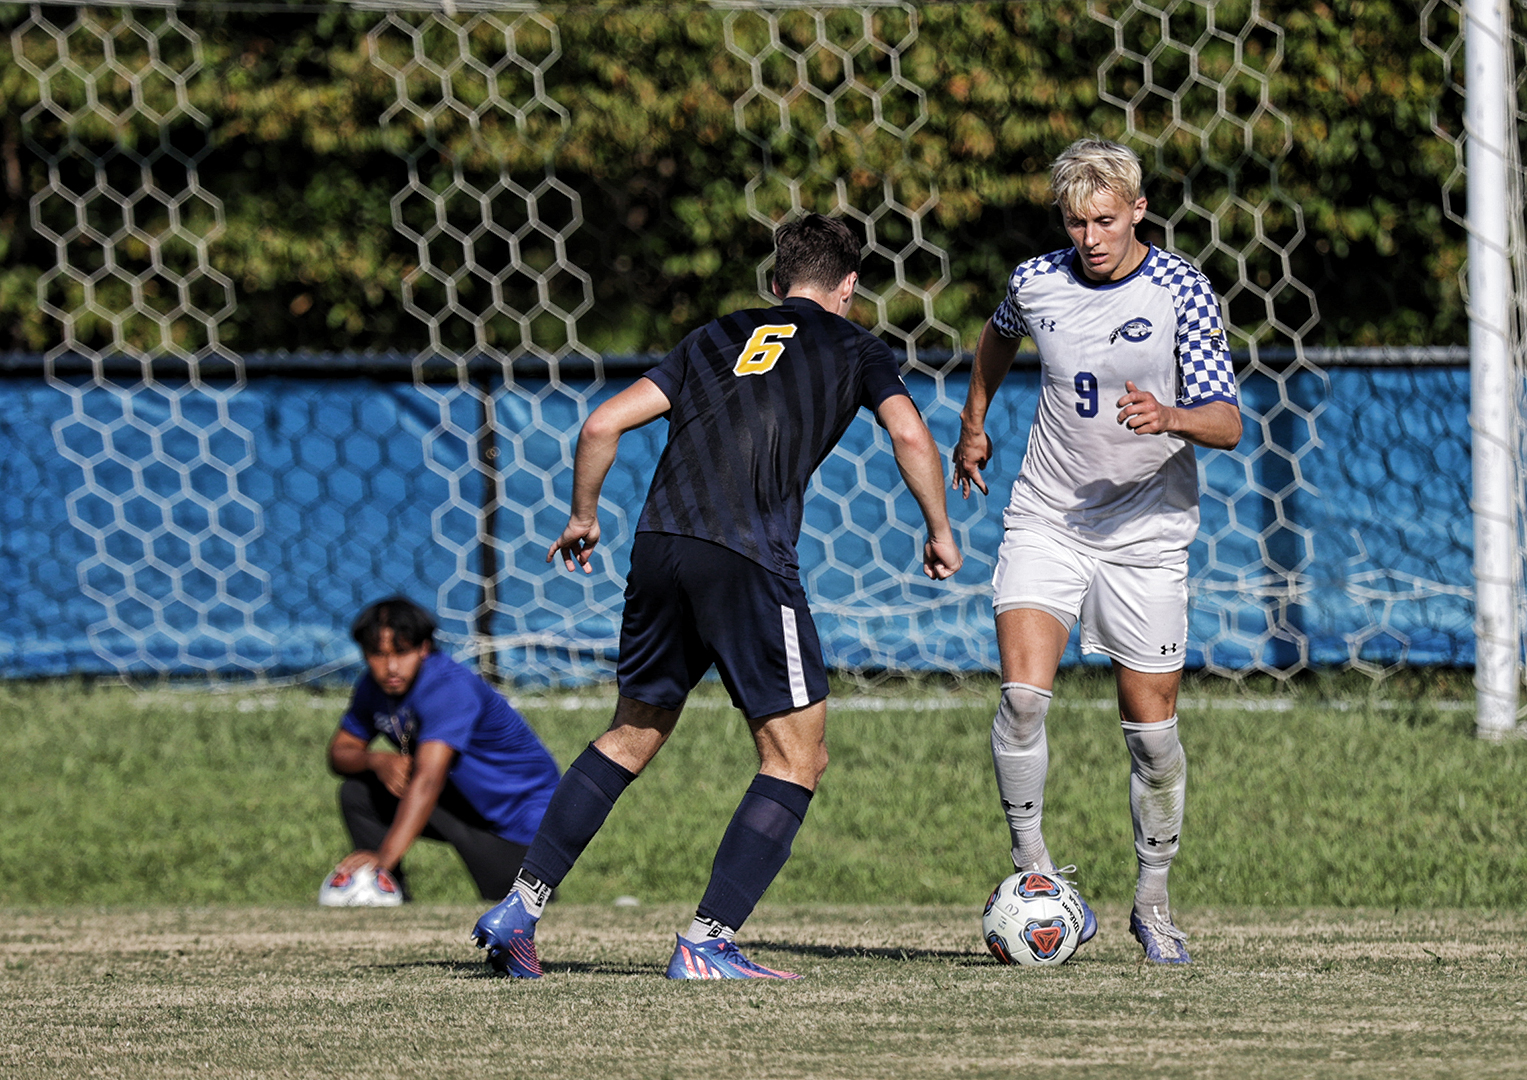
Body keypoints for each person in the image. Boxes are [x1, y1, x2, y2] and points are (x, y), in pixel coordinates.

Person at [471, 212, 962, 980]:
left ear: (776, 282)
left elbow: (601, 425)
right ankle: (707, 941)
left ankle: (520, 907)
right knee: (798, 756)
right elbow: (907, 434)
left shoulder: (715, 335)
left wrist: (583, 517)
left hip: (660, 546)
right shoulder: (856, 346)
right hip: (746, 557)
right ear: (848, 287)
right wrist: (939, 529)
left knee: (631, 733)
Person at [951, 138, 1243, 964]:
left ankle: (1152, 902)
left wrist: (1172, 417)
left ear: (1138, 211)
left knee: (1151, 738)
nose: (1090, 238)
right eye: (1076, 222)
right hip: (1047, 518)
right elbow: (997, 337)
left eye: (1106, 221)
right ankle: (1035, 873)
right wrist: (973, 424)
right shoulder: (1036, 282)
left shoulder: (1181, 289)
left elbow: (1227, 422)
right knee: (1022, 699)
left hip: (1147, 536)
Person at [327, 596, 561, 903]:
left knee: (513, 919)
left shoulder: (448, 687)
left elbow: (428, 780)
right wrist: (376, 760)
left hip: (517, 819)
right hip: (461, 803)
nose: (391, 667)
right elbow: (340, 752)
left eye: (401, 652)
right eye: (378, 654)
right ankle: (382, 894)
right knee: (358, 792)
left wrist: (383, 858)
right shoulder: (373, 687)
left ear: (424, 648)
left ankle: (379, 872)